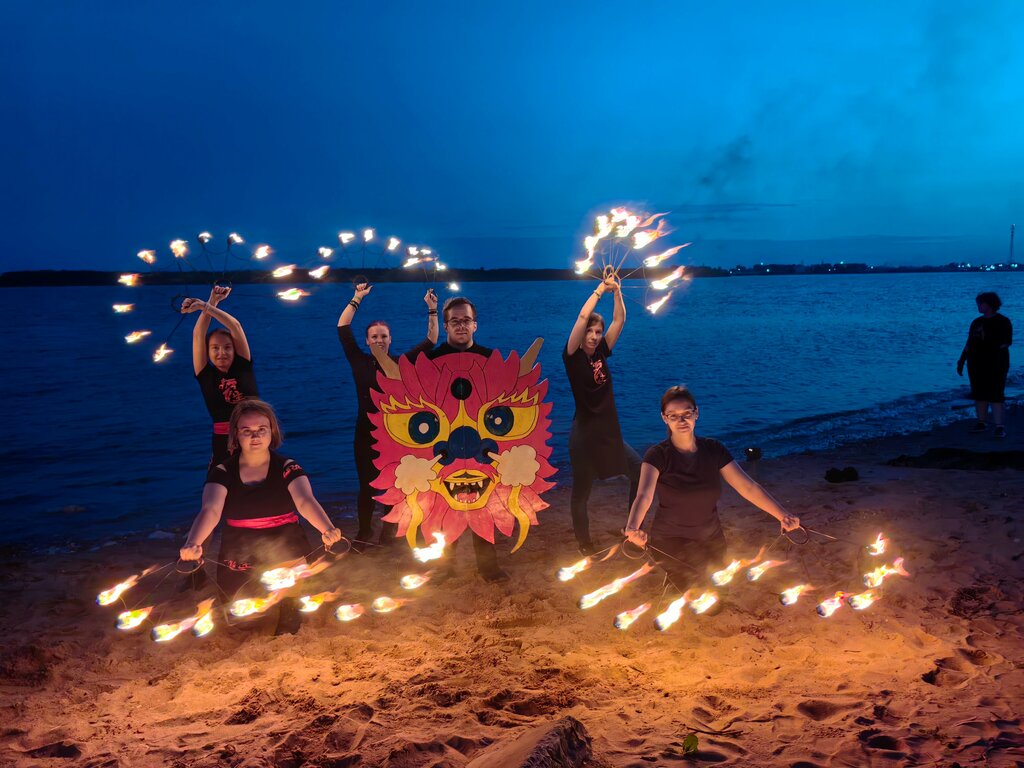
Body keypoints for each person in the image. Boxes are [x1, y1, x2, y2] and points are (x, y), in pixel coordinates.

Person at [179, 399, 343, 635]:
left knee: (288, 610)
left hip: (284, 543)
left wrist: (327, 529)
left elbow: (305, 500)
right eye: (247, 431)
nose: (254, 436)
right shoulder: (223, 471)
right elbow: (211, 509)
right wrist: (193, 543)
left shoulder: (287, 466)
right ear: (236, 434)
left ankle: (289, 603)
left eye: (261, 430)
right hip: (240, 546)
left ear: (271, 432)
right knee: (241, 620)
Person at [623, 386, 800, 592]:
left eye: (686, 414)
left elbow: (747, 487)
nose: (681, 421)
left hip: (711, 538)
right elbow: (644, 495)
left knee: (715, 594)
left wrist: (783, 515)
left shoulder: (713, 449)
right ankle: (674, 578)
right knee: (694, 594)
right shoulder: (657, 455)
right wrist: (633, 527)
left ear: (696, 413)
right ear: (664, 418)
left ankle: (682, 579)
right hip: (671, 540)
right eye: (673, 416)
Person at [337, 282, 438, 549]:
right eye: (374, 337)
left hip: (394, 435)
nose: (379, 340)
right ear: (367, 341)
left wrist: (432, 309)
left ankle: (388, 530)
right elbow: (342, 327)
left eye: (383, 336)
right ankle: (364, 532)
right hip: (365, 433)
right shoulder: (358, 360)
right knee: (367, 486)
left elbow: (431, 341)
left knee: (395, 485)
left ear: (390, 339)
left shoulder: (401, 363)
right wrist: (357, 297)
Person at [424, 296, 509, 583]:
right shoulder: (431, 361)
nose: (461, 326)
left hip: (481, 445)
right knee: (443, 508)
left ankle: (488, 568)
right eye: (455, 321)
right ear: (445, 326)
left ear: (475, 325)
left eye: (466, 320)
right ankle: (444, 567)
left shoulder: (490, 359)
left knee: (485, 504)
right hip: (444, 445)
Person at [563, 276, 642, 555]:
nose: (595, 336)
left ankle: (630, 530)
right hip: (584, 434)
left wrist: (617, 292)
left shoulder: (601, 354)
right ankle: (585, 544)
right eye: (590, 331)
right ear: (582, 333)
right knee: (581, 492)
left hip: (608, 433)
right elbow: (583, 313)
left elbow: (620, 321)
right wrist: (600, 289)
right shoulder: (572, 356)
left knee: (640, 472)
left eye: (598, 331)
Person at [181, 286, 259, 466]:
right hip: (223, 442)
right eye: (215, 348)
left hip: (256, 437)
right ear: (207, 352)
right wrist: (211, 301)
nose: (221, 352)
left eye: (227, 347)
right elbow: (198, 335)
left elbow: (235, 326)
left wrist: (206, 306)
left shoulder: (243, 366)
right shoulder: (205, 374)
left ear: (234, 349)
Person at [958, 292, 1012, 438]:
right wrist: (961, 360)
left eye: (981, 303)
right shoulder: (976, 322)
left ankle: (1000, 426)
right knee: (979, 393)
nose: (979, 306)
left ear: (990, 304)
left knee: (996, 394)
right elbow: (969, 342)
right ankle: (982, 422)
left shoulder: (1003, 321)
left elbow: (1006, 342)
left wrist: (989, 349)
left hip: (996, 363)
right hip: (975, 363)